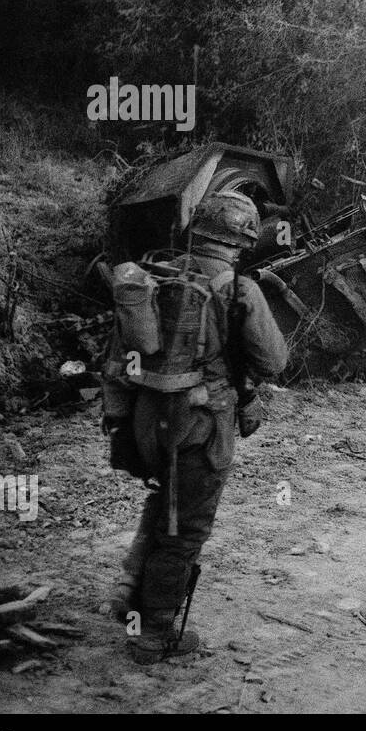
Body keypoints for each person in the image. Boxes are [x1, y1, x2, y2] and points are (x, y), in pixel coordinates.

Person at [101, 191, 289, 663]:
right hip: (200, 424)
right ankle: (154, 636)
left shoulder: (152, 276)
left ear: (196, 229)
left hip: (145, 418)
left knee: (163, 500)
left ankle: (129, 596)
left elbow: (116, 361)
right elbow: (275, 360)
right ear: (243, 239)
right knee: (184, 532)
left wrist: (120, 422)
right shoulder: (237, 287)